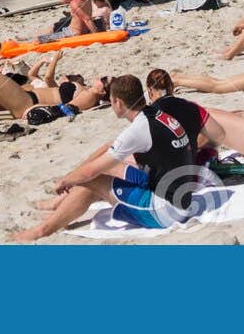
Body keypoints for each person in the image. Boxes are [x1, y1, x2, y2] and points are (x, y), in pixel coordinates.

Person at [15, 75, 221, 239]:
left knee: (94, 180)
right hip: (179, 195)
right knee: (109, 168)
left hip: (165, 211)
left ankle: (44, 230)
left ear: (118, 102)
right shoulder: (156, 115)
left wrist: (64, 180)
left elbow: (90, 172)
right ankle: (61, 207)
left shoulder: (138, 129)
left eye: (111, 101)